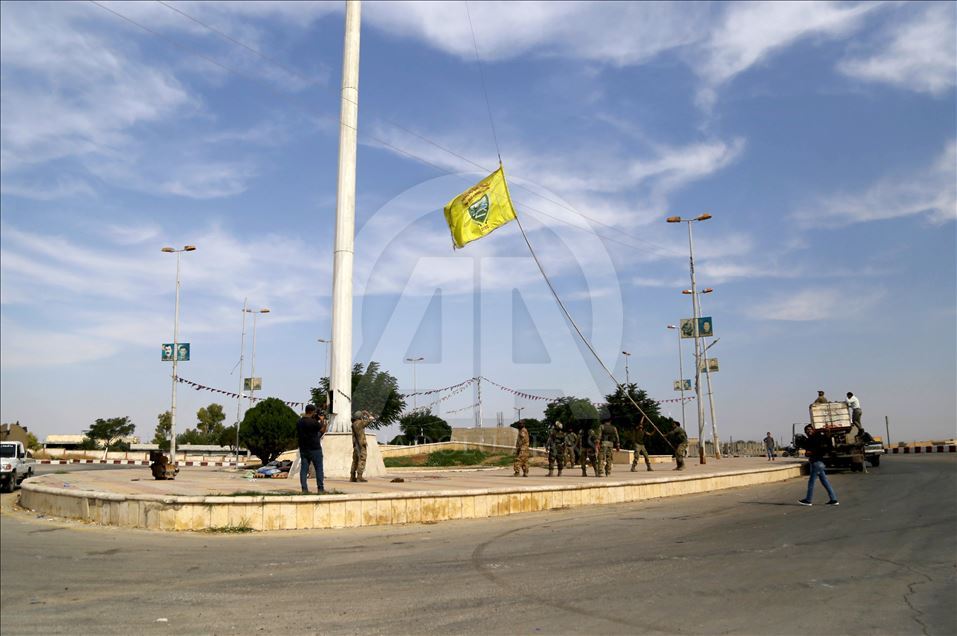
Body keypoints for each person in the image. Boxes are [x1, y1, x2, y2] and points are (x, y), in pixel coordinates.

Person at [798, 424, 839, 506]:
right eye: (807, 430)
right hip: (820, 463)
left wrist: (811, 452)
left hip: (816, 462)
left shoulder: (815, 438)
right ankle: (833, 499)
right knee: (825, 481)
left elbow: (818, 448)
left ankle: (808, 500)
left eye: (810, 429)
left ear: (813, 430)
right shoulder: (817, 437)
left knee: (811, 482)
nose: (809, 431)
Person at [297, 404, 327, 493]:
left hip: (303, 449)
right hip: (315, 449)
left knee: (304, 469)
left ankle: (304, 489)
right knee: (319, 469)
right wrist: (323, 421)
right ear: (312, 412)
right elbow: (322, 430)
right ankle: (320, 489)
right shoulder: (313, 423)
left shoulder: (299, 422)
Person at [351, 411, 372, 483]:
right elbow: (371, 419)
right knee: (362, 459)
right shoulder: (360, 423)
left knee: (355, 460)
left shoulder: (353, 424)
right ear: (360, 417)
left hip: (355, 445)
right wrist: (367, 413)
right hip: (361, 444)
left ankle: (352, 476)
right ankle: (359, 476)